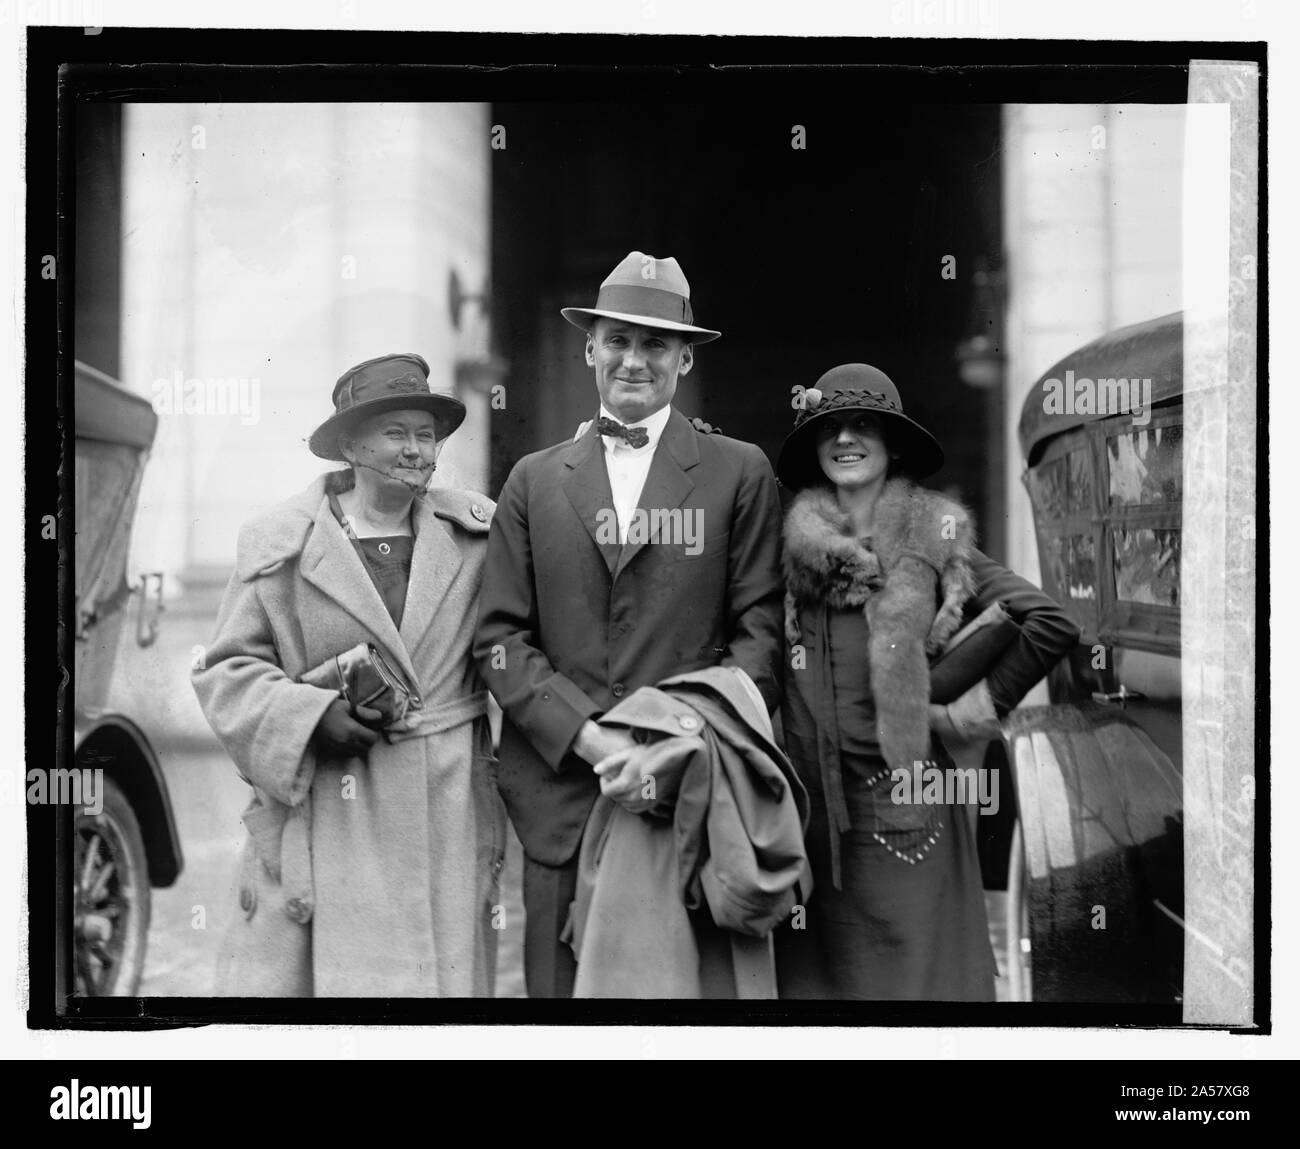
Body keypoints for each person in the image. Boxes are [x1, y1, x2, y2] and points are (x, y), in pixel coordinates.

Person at [474, 251, 785, 998]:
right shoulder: (534, 479)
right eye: (618, 340)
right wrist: (591, 738)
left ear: (684, 358)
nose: (633, 360)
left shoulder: (738, 472)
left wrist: (673, 746)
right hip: (563, 801)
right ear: (589, 349)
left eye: (654, 345)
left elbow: (760, 639)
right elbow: (497, 640)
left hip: (688, 798)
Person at [193, 353, 504, 997]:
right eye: (396, 434)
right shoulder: (281, 542)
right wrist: (308, 718)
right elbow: (226, 672)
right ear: (349, 446)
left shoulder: (478, 533)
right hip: (332, 806)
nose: (416, 450)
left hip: (445, 802)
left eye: (426, 435)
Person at [772, 365, 1080, 1000]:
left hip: (904, 814)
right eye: (830, 428)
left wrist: (963, 714)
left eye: (863, 426)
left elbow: (1051, 622)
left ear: (892, 445)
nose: (845, 440)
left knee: (920, 996)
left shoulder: (930, 533)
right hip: (812, 820)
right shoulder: (792, 550)